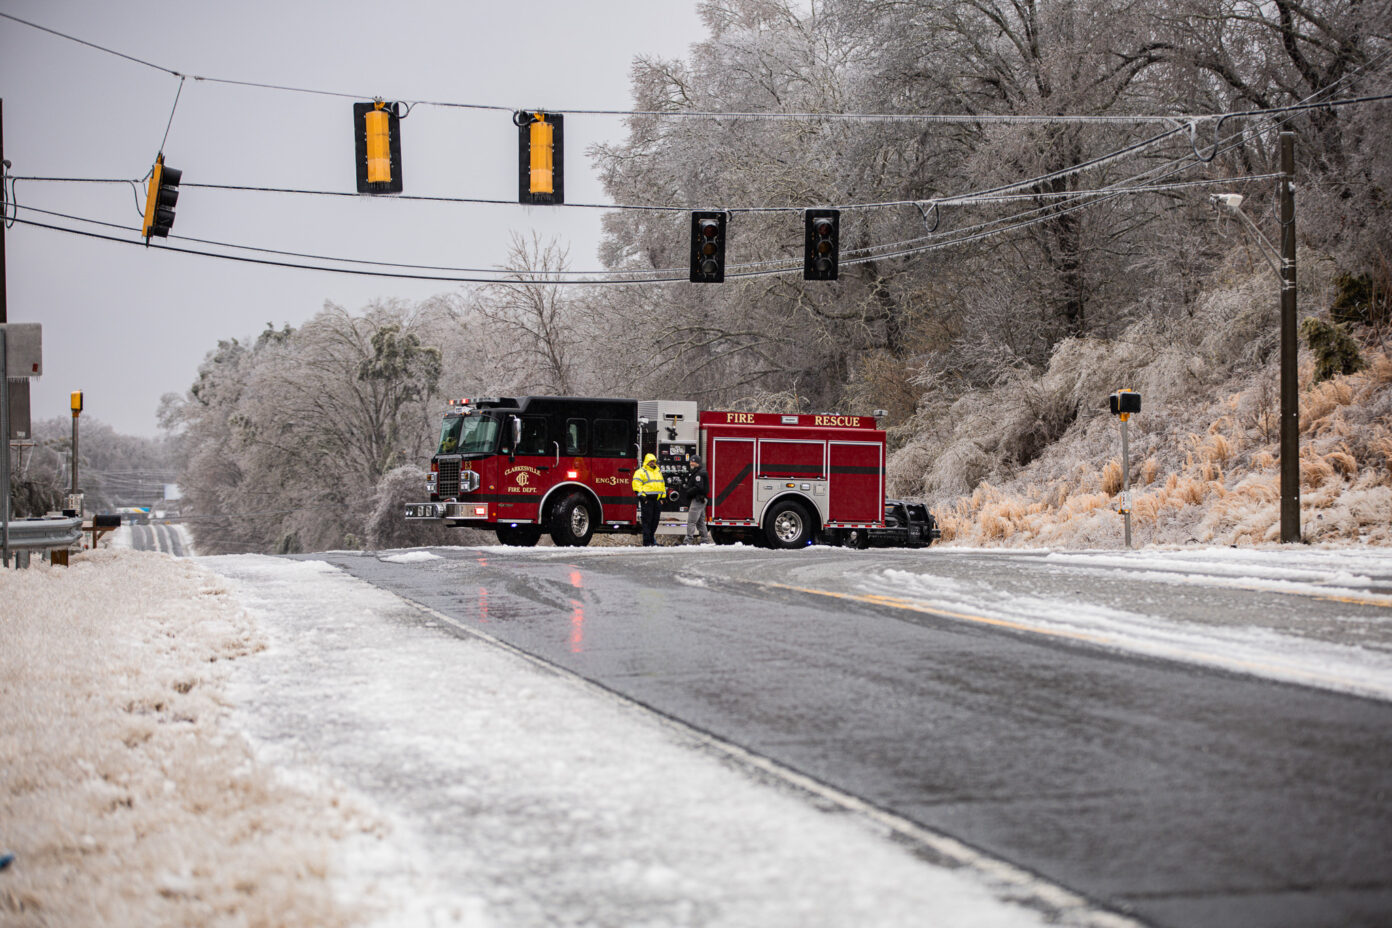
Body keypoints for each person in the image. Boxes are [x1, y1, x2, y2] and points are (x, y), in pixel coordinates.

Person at [632, 452, 667, 546]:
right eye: (650, 461)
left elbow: (662, 485)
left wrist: (663, 498)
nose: (652, 463)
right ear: (646, 462)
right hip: (647, 500)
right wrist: (643, 497)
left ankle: (652, 541)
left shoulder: (658, 471)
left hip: (657, 501)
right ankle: (647, 542)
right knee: (647, 522)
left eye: (653, 461)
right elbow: (636, 485)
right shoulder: (640, 472)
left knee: (655, 522)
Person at [684, 455, 713, 545]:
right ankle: (705, 540)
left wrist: (688, 491)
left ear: (698, 463)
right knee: (700, 522)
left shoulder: (699, 473)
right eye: (690, 462)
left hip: (698, 499)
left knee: (691, 521)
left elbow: (698, 487)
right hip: (701, 500)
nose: (691, 463)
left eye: (693, 462)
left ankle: (687, 541)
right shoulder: (699, 472)